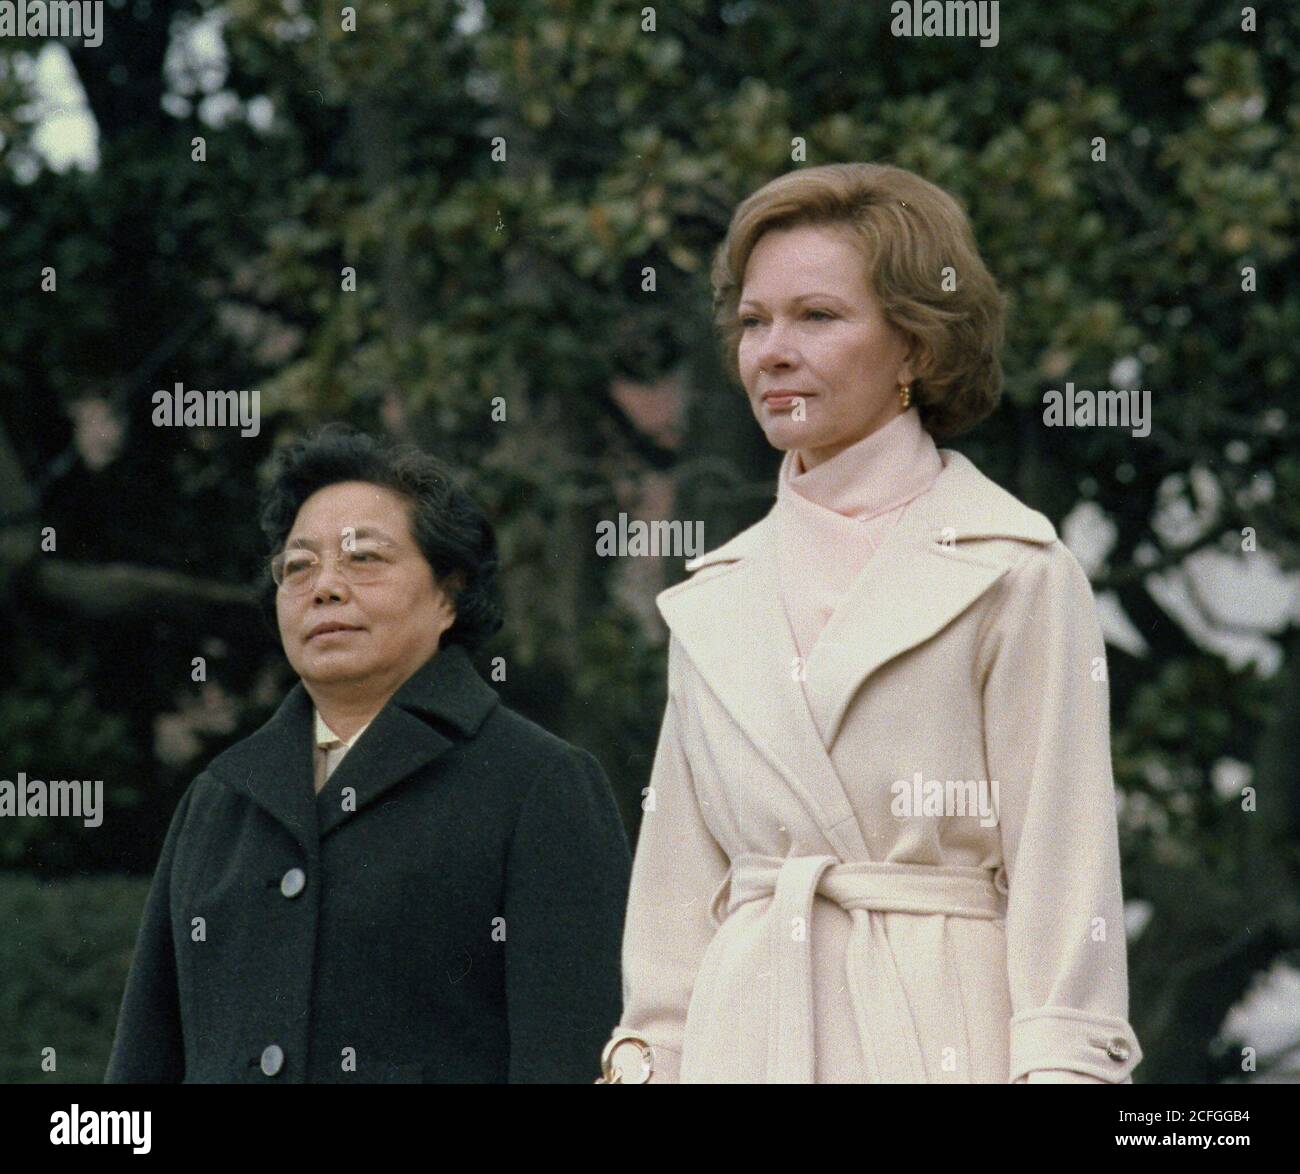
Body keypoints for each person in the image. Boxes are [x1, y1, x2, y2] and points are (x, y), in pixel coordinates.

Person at [599, 163, 1142, 1084]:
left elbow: (1066, 886)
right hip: (741, 1042)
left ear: (918, 347)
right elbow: (670, 920)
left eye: (817, 316)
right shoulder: (712, 597)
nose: (770, 350)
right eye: (753, 321)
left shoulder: (1016, 569)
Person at [106, 425, 630, 1083]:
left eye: (364, 558)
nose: (324, 587)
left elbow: (570, 1056)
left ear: (448, 593)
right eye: (299, 566)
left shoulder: (538, 786)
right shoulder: (220, 799)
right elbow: (142, 1068)